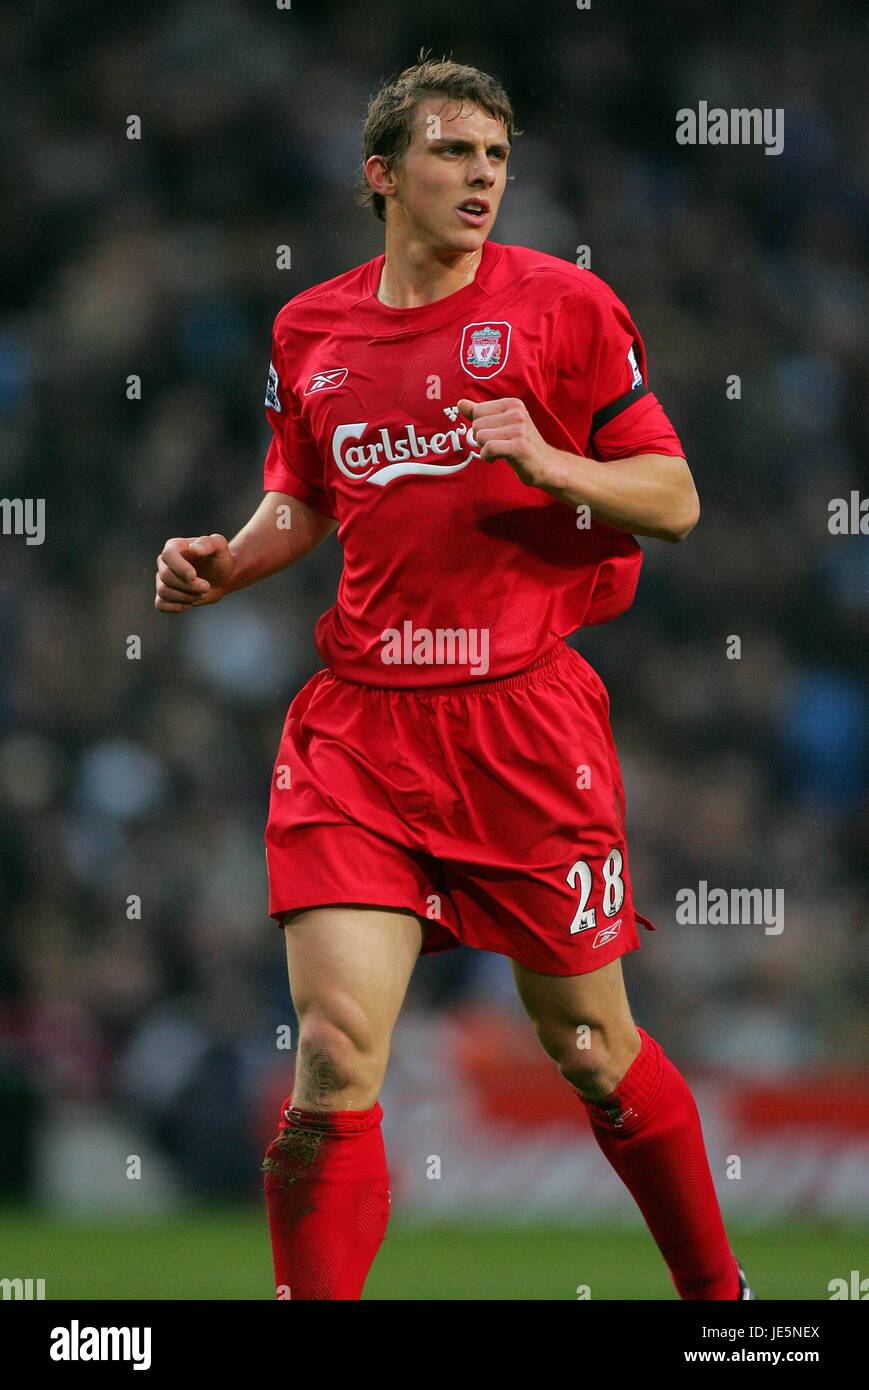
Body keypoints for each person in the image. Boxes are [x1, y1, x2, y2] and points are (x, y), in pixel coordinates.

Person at [155, 55, 756, 1302]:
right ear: (382, 176)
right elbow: (304, 496)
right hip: (359, 727)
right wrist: (231, 561)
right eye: (450, 152)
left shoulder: (565, 309)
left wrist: (554, 462)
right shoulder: (307, 326)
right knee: (330, 1053)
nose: (481, 175)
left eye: (494, 157)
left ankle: (722, 1308)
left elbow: (676, 499)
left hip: (521, 722)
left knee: (589, 1046)